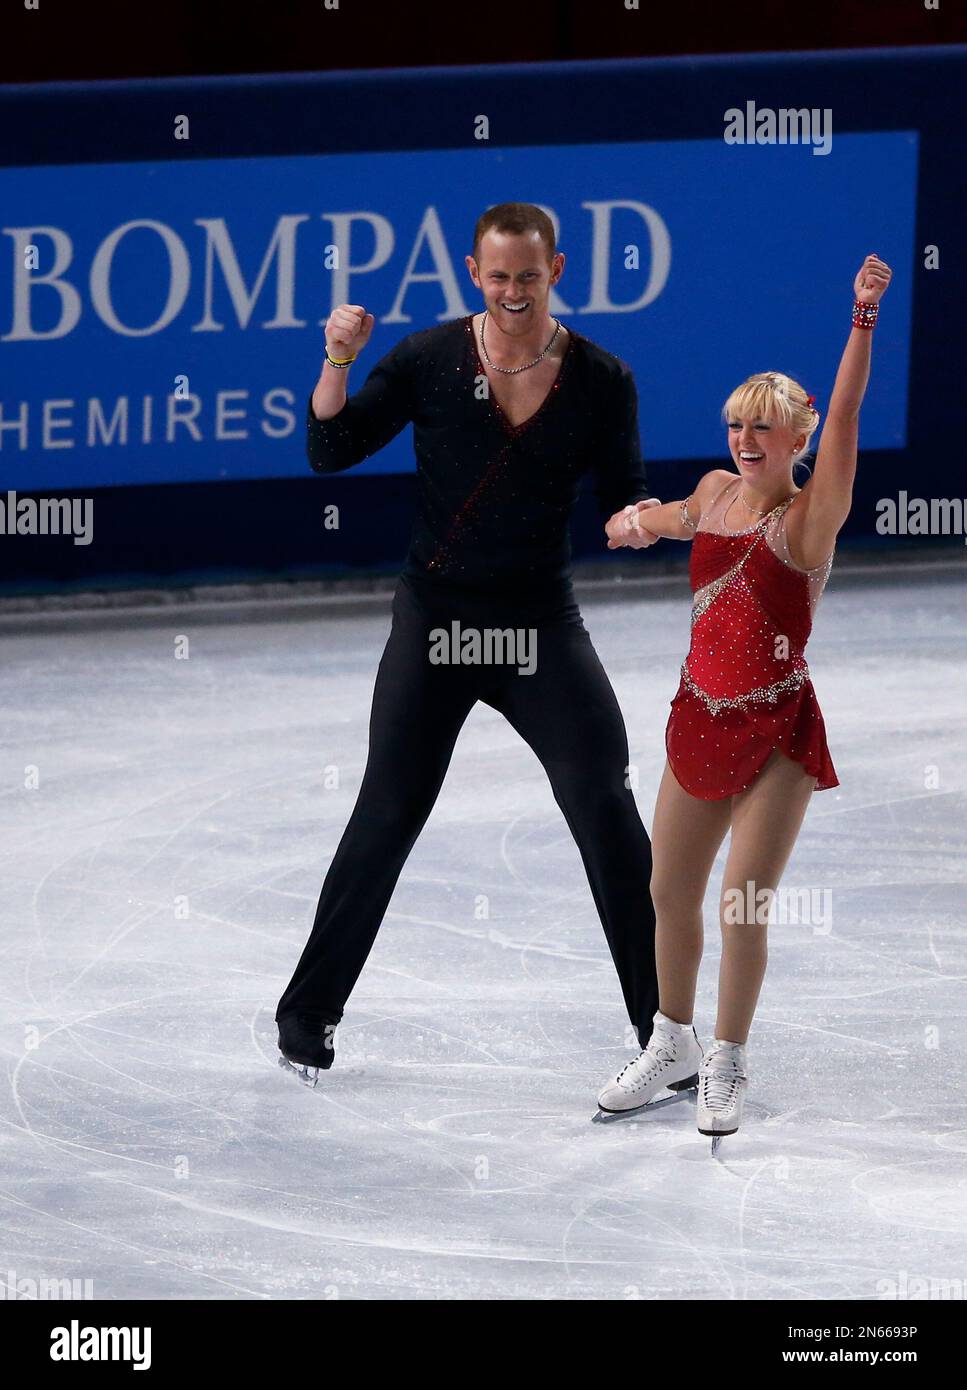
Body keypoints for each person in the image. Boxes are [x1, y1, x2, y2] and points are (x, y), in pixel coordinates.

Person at [275, 202, 670, 1085]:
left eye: (528, 276)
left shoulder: (602, 379)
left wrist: (644, 521)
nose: (513, 291)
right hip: (437, 622)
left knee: (604, 804)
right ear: (473, 273)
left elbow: (625, 492)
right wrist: (335, 358)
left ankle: (663, 1028)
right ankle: (306, 1014)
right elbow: (329, 447)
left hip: (536, 625)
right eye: (498, 276)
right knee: (386, 812)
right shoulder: (427, 359)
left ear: (555, 271)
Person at [596, 254, 893, 1149]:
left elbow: (845, 416)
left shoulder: (808, 519)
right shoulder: (719, 490)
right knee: (666, 888)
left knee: (740, 903)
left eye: (762, 427)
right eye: (734, 424)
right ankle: (672, 1043)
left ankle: (726, 1058)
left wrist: (861, 318)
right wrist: (639, 522)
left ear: (794, 437)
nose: (743, 439)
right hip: (698, 715)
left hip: (774, 731)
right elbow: (681, 517)